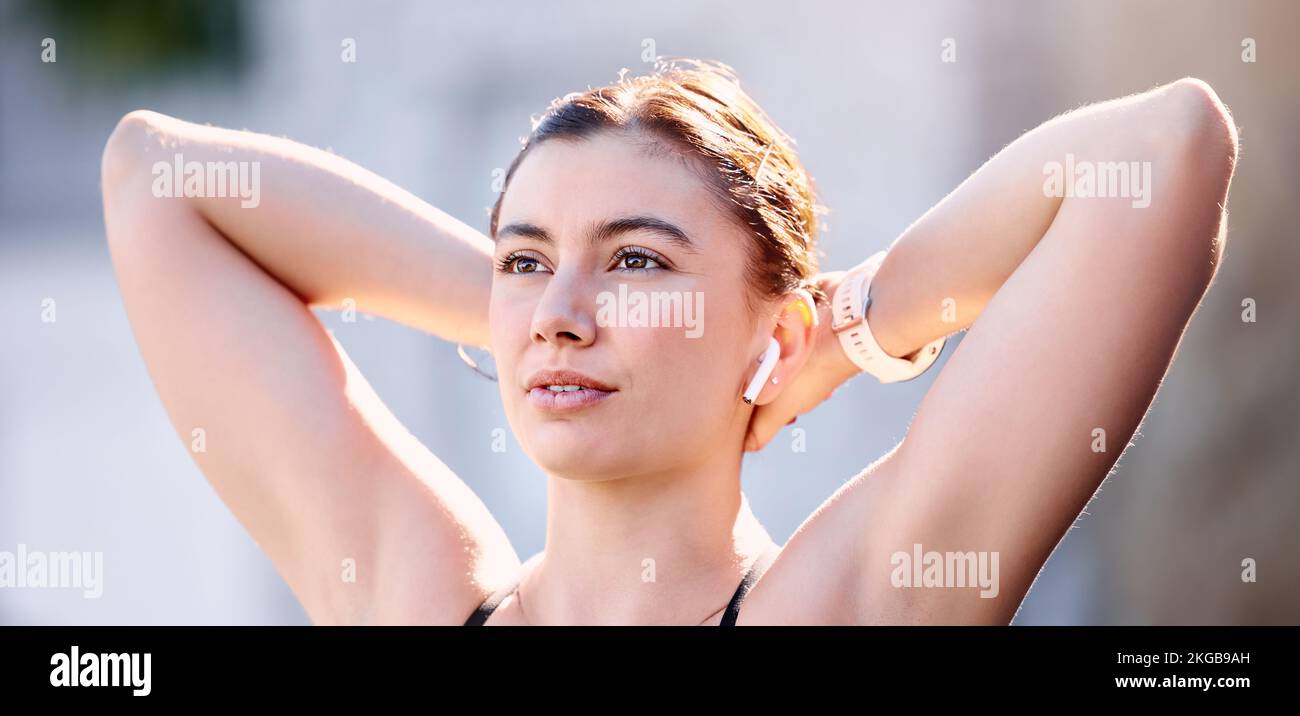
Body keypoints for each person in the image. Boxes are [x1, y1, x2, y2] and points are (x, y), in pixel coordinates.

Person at [99, 59, 1238, 625]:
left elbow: (1165, 148)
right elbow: (158, 179)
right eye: (526, 254)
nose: (560, 306)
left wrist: (834, 335)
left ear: (770, 326)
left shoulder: (850, 602)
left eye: (639, 258)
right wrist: (535, 315)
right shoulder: (414, 593)